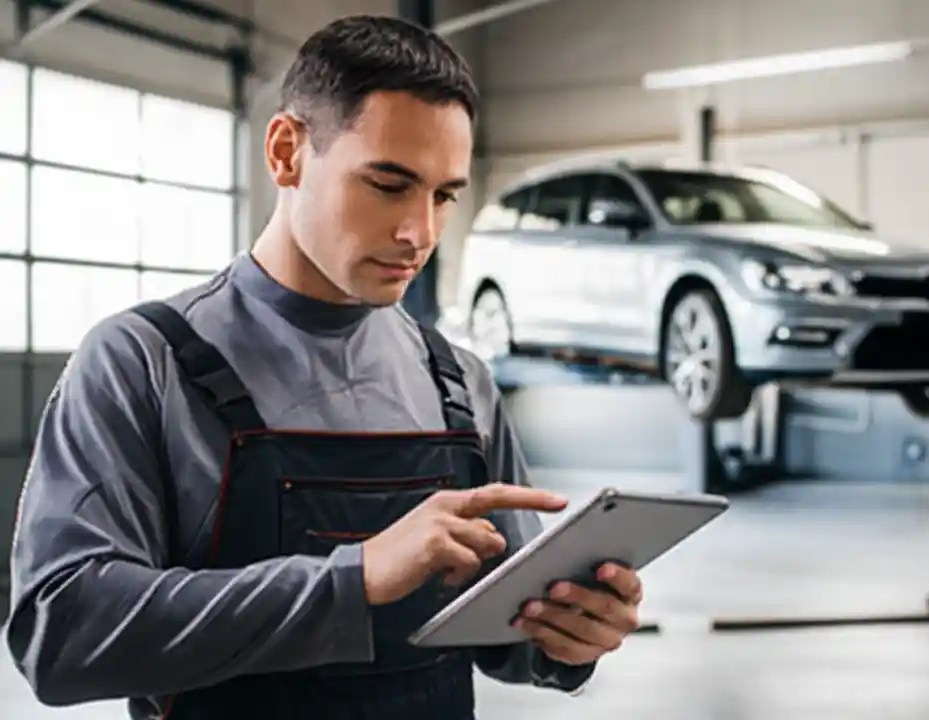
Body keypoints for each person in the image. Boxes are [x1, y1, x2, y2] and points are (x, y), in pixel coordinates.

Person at [5, 15, 645, 719]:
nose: (420, 233)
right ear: (286, 152)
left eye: (442, 196)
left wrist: (567, 638)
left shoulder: (460, 383)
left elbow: (505, 635)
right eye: (388, 184)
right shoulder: (141, 363)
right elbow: (59, 633)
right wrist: (355, 578)